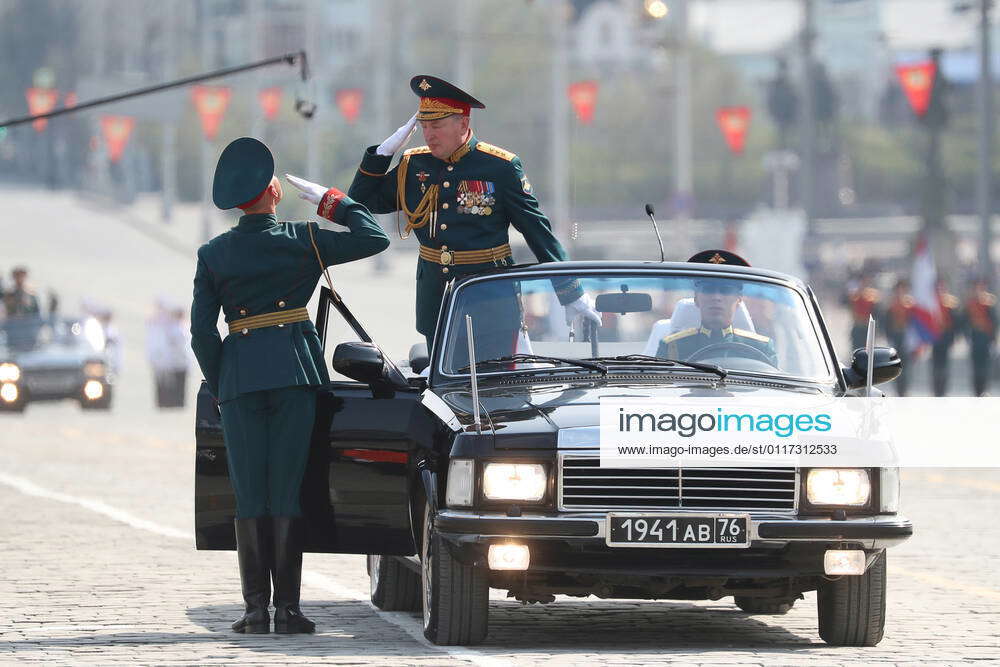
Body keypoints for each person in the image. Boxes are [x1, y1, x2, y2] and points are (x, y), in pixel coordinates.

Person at [190, 137, 389, 635]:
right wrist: (334, 202)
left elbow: (200, 333)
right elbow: (372, 237)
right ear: (274, 192)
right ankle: (289, 610)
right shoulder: (304, 240)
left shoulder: (213, 254)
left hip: (239, 379)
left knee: (249, 494)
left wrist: (221, 381)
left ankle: (255, 610)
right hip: (294, 375)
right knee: (286, 491)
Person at [286, 74, 599, 353]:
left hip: (489, 298)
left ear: (463, 124)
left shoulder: (499, 167)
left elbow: (538, 231)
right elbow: (363, 202)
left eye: (436, 125)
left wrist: (570, 291)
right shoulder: (414, 165)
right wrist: (380, 156)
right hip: (436, 298)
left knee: (496, 392)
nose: (428, 135)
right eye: (424, 126)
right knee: (445, 392)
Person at [655, 250, 777, 366]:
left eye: (726, 290)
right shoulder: (672, 347)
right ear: (696, 298)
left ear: (739, 299)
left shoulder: (761, 348)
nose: (716, 297)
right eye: (708, 289)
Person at [146, 296, 190, 408]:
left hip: (178, 361)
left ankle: (175, 404)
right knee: (163, 385)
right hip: (166, 361)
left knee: (178, 386)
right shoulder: (161, 326)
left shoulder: (180, 327)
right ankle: (164, 404)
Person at [963, 277, 997, 397]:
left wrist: (993, 339)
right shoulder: (970, 304)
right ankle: (976, 390)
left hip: (985, 338)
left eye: (981, 287)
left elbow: (994, 323)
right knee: (976, 366)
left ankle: (984, 389)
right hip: (975, 338)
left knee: (985, 366)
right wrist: (967, 337)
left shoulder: (989, 303)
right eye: (976, 287)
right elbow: (965, 322)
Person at [885, 278, 913, 396]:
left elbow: (914, 323)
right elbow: (887, 323)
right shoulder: (892, 305)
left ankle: (905, 390)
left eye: (903, 289)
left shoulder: (910, 305)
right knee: (896, 365)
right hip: (896, 336)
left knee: (906, 366)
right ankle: (898, 390)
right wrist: (890, 337)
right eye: (899, 289)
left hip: (906, 337)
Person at [931, 280, 960, 397]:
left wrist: (953, 338)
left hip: (946, 338)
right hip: (934, 338)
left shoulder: (951, 304)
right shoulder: (931, 303)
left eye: (942, 288)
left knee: (944, 366)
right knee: (935, 366)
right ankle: (936, 390)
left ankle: (943, 390)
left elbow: (955, 324)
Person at [845, 272, 880, 351]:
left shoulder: (872, 296)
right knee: (857, 350)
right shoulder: (855, 295)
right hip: (858, 326)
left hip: (866, 326)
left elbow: (876, 311)